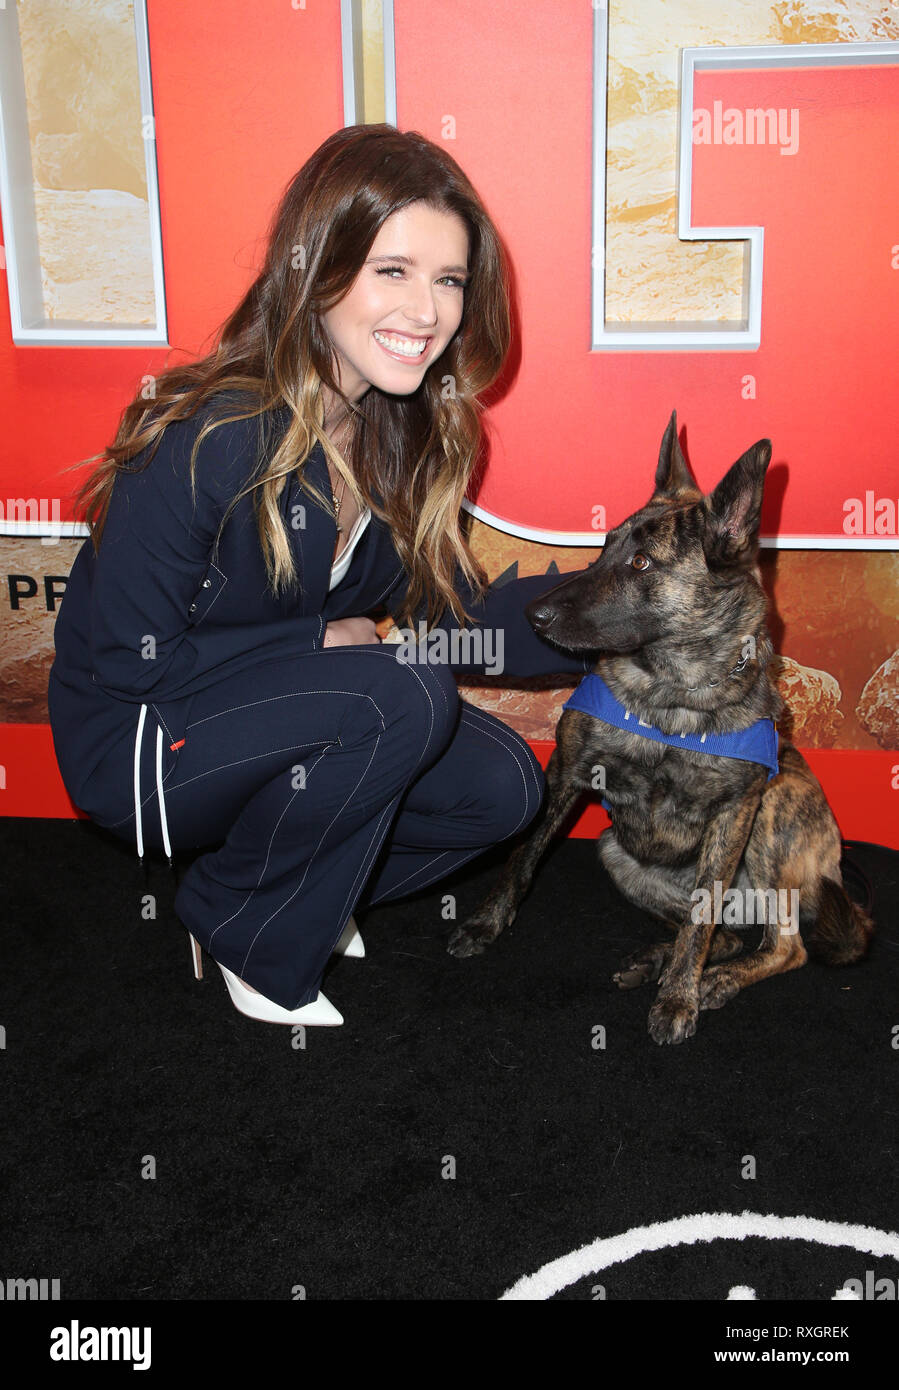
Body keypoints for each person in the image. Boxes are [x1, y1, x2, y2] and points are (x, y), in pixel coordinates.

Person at [48, 124, 590, 1027]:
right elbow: (131, 666)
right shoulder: (209, 435)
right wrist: (314, 641)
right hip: (138, 746)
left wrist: (605, 614)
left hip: (254, 723)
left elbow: (438, 618)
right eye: (393, 270)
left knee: (503, 789)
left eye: (448, 280)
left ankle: (280, 890)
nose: (427, 311)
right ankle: (246, 929)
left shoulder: (393, 435)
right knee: (400, 693)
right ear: (316, 270)